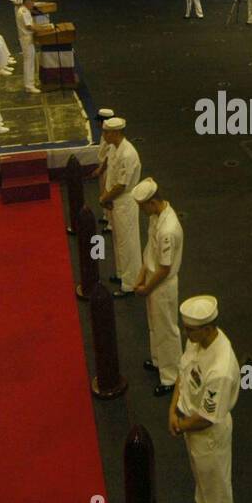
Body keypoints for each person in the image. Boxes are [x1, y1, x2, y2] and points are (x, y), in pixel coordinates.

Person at [169, 294, 239, 503]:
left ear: (208, 329)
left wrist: (179, 425)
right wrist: (173, 409)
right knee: (200, 474)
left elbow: (207, 418)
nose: (187, 334)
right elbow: (183, 372)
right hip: (189, 420)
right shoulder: (197, 341)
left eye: (191, 330)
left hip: (208, 433)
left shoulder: (220, 369)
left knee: (216, 482)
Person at [133, 178, 183, 395]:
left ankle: (171, 376)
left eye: (143, 207)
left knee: (167, 329)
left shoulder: (168, 230)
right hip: (153, 280)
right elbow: (150, 250)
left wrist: (146, 288)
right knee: (155, 325)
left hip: (162, 285)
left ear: (152, 202)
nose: (142, 211)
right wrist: (141, 275)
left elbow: (164, 268)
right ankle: (158, 360)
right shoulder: (157, 217)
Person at [99, 118, 142, 298]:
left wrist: (105, 198)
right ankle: (122, 274)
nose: (104, 135)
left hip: (124, 202)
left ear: (116, 133)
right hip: (115, 200)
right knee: (118, 240)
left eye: (107, 132)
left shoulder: (127, 153)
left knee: (128, 242)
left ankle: (131, 283)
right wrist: (108, 197)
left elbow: (122, 185)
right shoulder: (115, 148)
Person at [14, 0, 42, 94]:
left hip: (27, 38)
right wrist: (41, 29)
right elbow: (29, 26)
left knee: (30, 61)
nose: (33, 3)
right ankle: (29, 86)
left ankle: (30, 83)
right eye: (32, 1)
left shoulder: (23, 10)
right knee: (29, 62)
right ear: (27, 1)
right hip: (26, 38)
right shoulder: (24, 11)